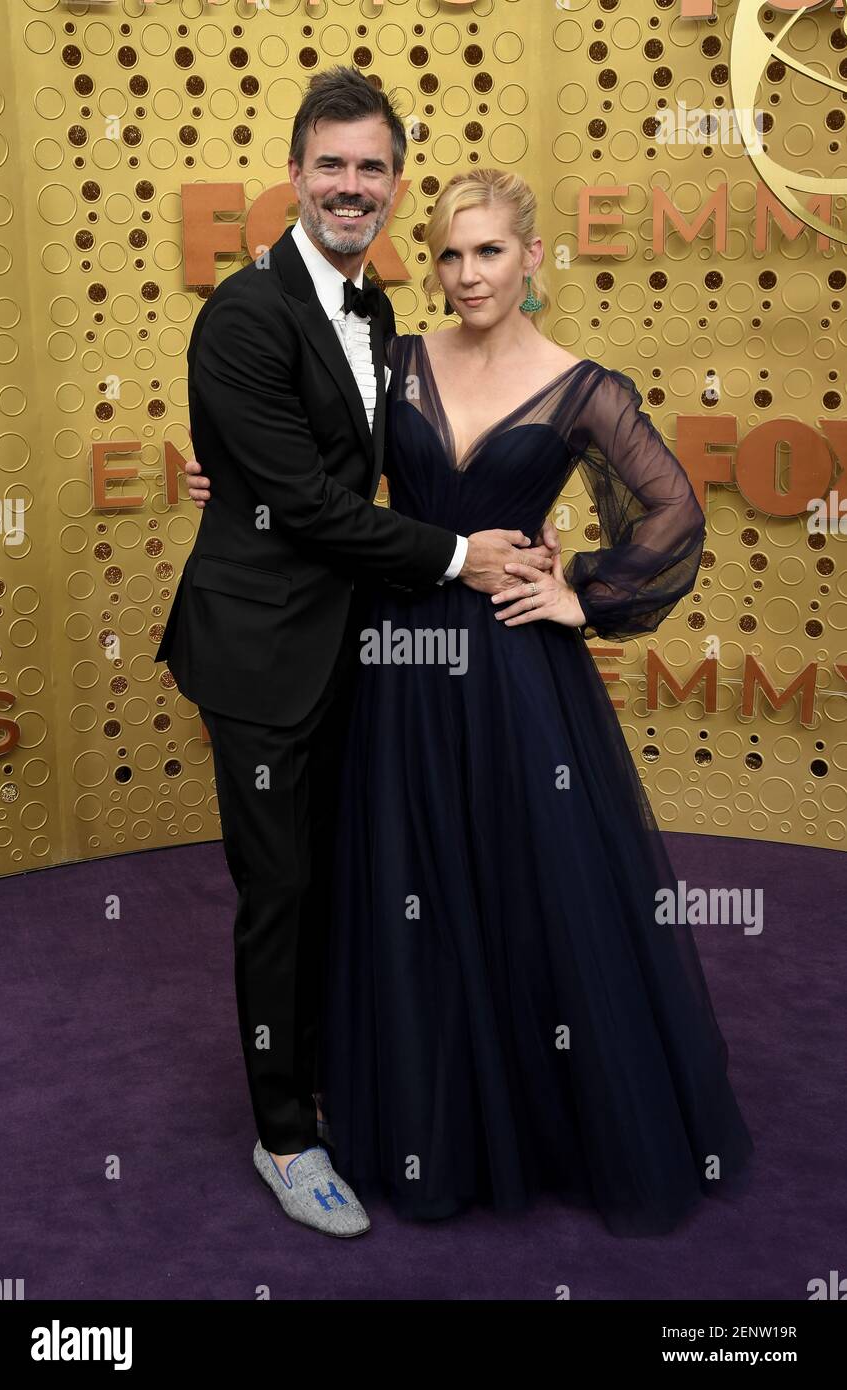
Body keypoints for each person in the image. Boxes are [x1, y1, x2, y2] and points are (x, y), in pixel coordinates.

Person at [186, 159, 755, 1238]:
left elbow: (672, 518)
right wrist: (240, 477)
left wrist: (578, 595)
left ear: (531, 257)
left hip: (508, 669)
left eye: (488, 250)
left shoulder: (582, 384)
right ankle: (419, 1114)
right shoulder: (394, 359)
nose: (466, 273)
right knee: (407, 886)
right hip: (390, 660)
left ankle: (537, 1117)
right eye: (447, 253)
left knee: (523, 888)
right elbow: (312, 474)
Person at [155, 67, 556, 1238]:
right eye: (329, 164)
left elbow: (332, 471)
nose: (350, 186)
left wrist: (248, 486)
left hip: (353, 645)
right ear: (295, 173)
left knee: (343, 877)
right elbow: (306, 499)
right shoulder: (240, 310)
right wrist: (453, 557)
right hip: (259, 655)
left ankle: (335, 1076)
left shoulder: (376, 309)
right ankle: (285, 1134)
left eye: (371, 168)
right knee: (280, 893)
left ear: (391, 185)